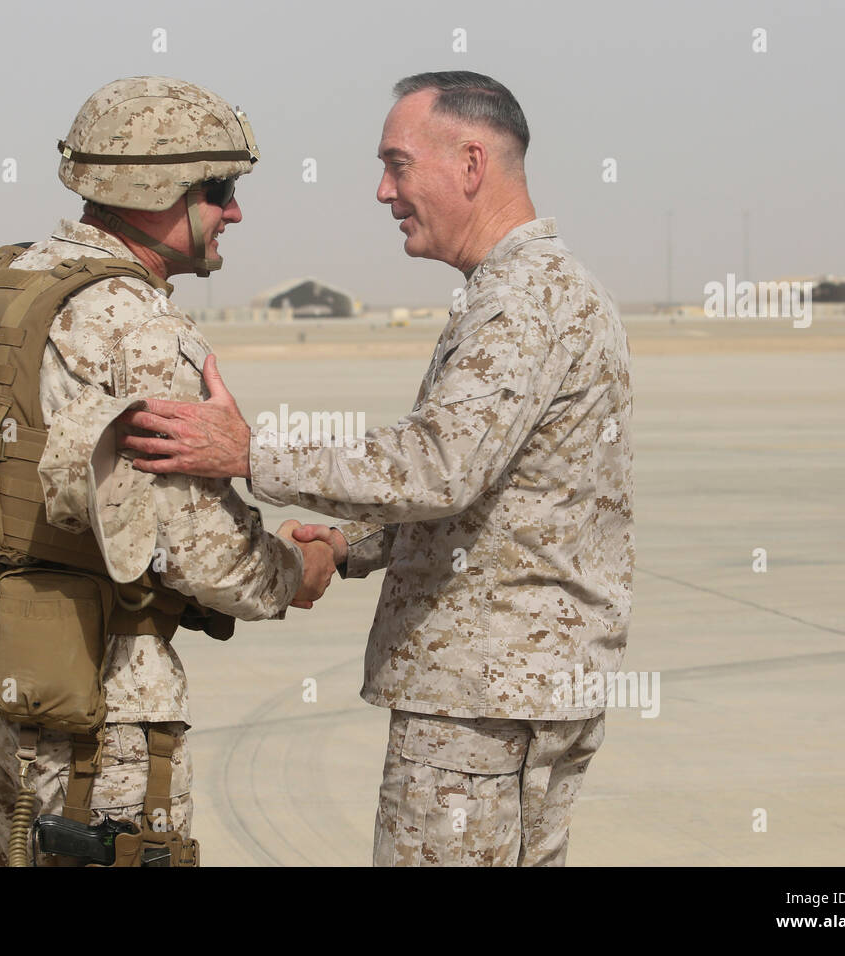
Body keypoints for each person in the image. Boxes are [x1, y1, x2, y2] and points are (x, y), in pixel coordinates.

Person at [118, 71, 634, 867]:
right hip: (516, 689)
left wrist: (249, 452)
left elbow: (438, 466)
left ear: (469, 164)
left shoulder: (523, 301)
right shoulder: (535, 291)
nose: (382, 190)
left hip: (482, 700)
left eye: (397, 165)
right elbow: (485, 489)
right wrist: (346, 544)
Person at [0, 75, 337, 866]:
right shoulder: (136, 325)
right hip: (91, 698)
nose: (235, 211)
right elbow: (199, 552)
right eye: (219, 189)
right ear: (157, 189)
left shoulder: (3, 285)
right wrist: (298, 566)